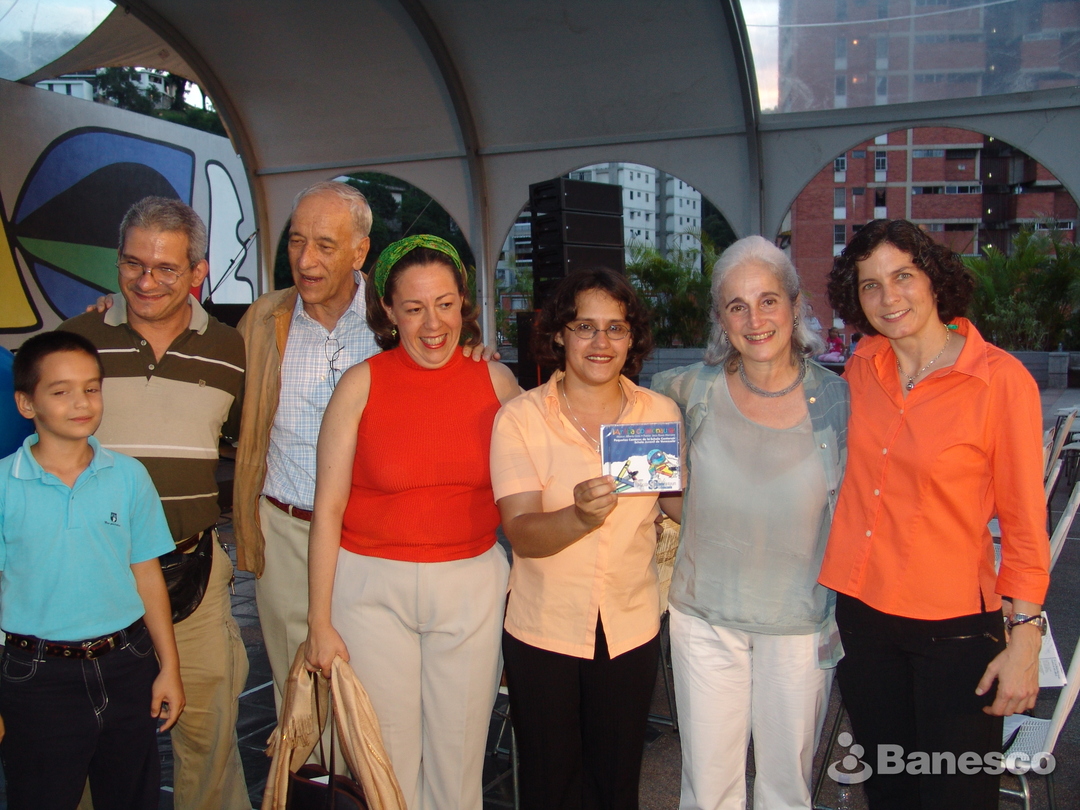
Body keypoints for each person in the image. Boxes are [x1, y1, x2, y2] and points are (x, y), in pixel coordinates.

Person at [235, 182, 493, 708]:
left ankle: (363, 792)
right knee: (298, 703)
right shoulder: (261, 324)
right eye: (296, 241)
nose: (305, 260)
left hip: (366, 543)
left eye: (325, 245)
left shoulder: (395, 320)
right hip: (286, 533)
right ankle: (314, 791)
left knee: (367, 705)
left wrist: (473, 352)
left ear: (360, 251)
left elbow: (446, 369)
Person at [820, 219, 1050, 808]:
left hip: (954, 629)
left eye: (903, 276)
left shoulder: (1000, 381)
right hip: (865, 618)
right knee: (891, 790)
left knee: (955, 793)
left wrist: (1024, 642)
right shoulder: (861, 367)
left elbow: (1025, 526)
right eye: (870, 285)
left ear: (934, 279)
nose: (888, 297)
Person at [304, 235, 520, 809]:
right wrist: (318, 623)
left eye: (445, 304)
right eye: (415, 307)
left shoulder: (497, 384)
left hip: (470, 583)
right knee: (387, 766)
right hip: (370, 590)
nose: (433, 323)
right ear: (389, 313)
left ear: (463, 307)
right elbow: (326, 510)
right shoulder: (360, 384)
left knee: (458, 762)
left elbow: (534, 482)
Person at [62, 197, 249, 810]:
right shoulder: (74, 342)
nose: (146, 281)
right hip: (94, 583)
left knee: (211, 733)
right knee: (87, 744)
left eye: (166, 268)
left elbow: (252, 437)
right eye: (133, 263)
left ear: (197, 271)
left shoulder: (231, 350)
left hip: (192, 574)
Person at [651, 236, 848, 810]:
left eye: (768, 301)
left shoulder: (841, 399)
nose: (755, 318)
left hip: (801, 623)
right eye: (737, 305)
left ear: (794, 305)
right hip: (705, 620)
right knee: (707, 787)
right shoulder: (682, 391)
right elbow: (603, 410)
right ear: (720, 319)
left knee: (786, 788)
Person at [490, 267, 682, 810]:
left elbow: (673, 505)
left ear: (632, 337)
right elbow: (522, 533)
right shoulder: (522, 419)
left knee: (617, 781)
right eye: (584, 327)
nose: (601, 343)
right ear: (558, 334)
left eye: (615, 328)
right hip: (543, 629)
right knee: (551, 785)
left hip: (629, 625)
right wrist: (577, 517)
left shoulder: (655, 414)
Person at [0, 330, 183, 810]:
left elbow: (146, 573)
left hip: (127, 665)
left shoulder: (128, 476)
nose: (81, 402)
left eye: (92, 388)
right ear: (26, 403)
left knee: (132, 796)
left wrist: (170, 668)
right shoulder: (4, 485)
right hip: (36, 678)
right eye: (60, 392)